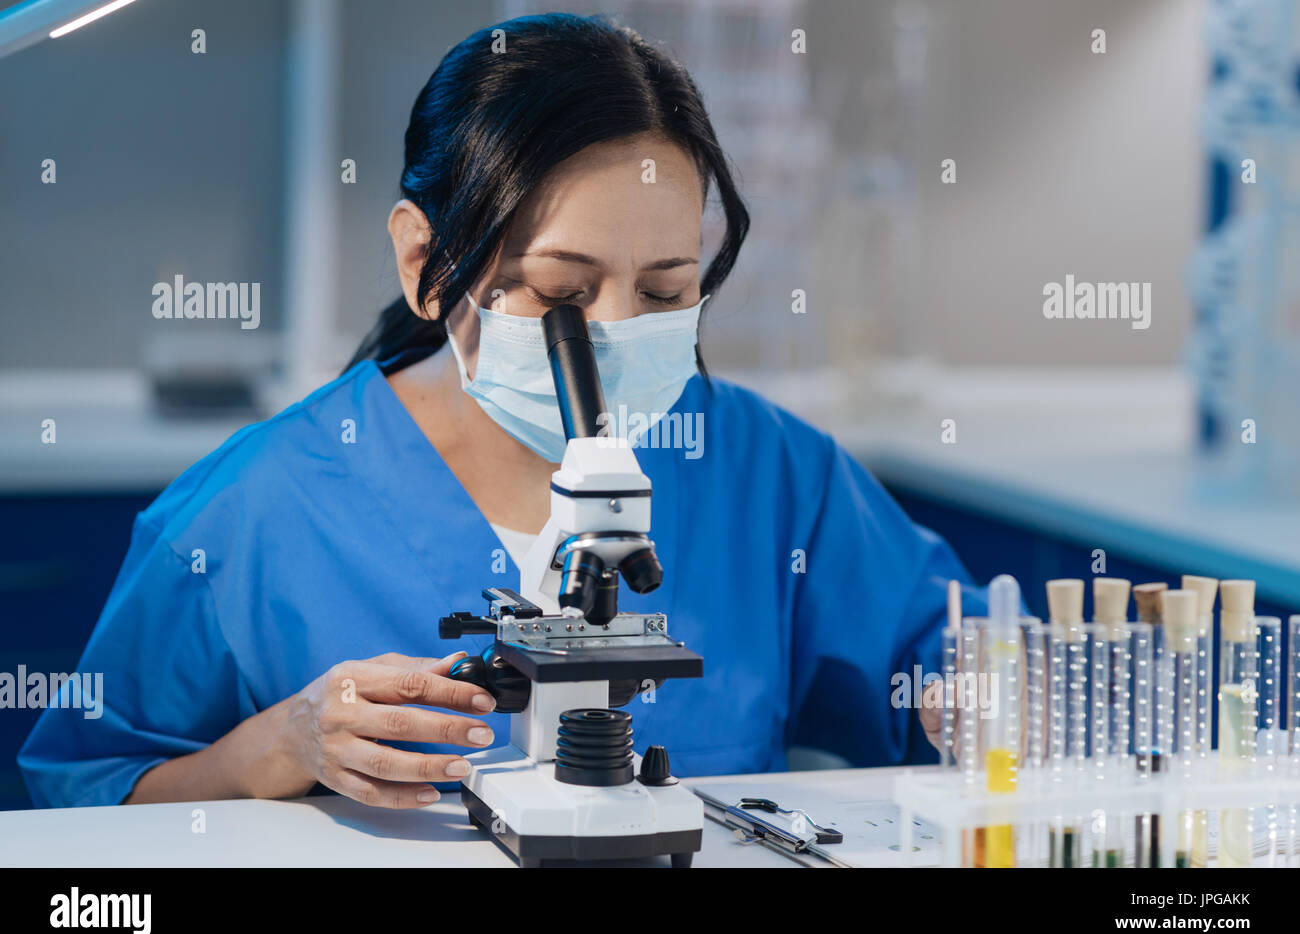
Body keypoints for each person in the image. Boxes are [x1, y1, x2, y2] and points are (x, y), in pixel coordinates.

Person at [19, 13, 984, 810]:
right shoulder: (254, 509)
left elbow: (945, 656)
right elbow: (84, 794)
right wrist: (282, 745)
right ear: (423, 264)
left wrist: (979, 698)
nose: (611, 336)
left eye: (661, 293)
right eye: (561, 292)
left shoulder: (769, 476)